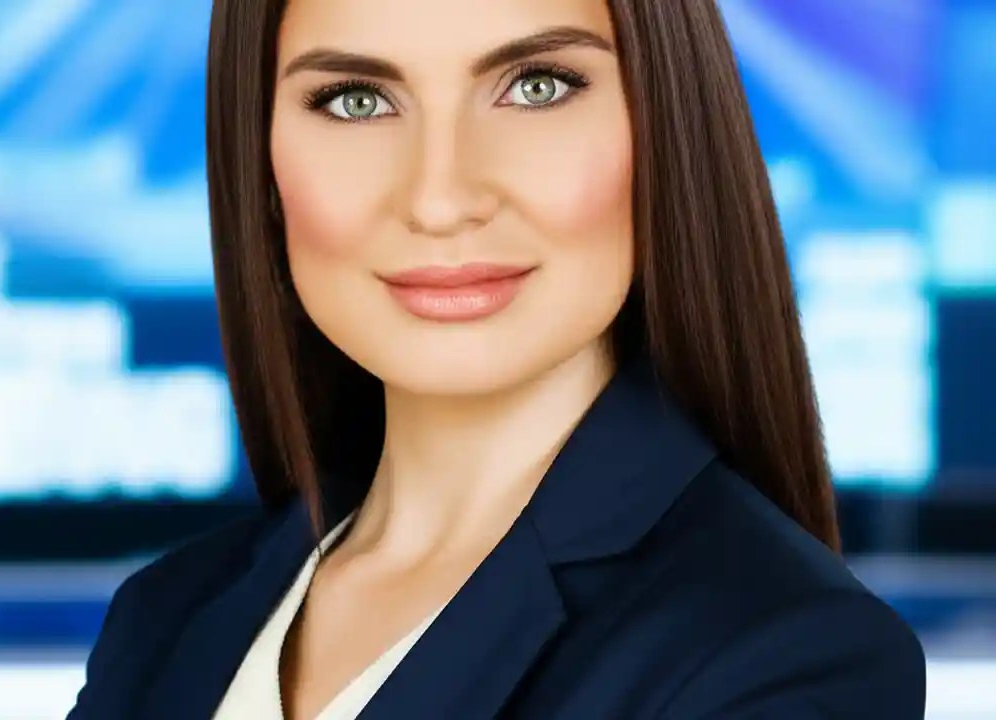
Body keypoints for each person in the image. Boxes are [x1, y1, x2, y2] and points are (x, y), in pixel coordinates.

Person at [67, 0, 927, 717]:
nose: (441, 199)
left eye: (537, 86)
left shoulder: (786, 656)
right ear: (259, 153)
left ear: (661, 121)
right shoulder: (164, 619)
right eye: (356, 100)